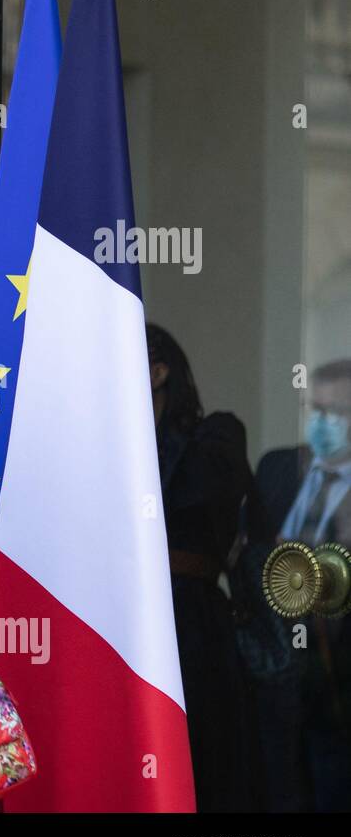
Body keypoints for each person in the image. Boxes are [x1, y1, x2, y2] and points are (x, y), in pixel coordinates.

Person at [146, 324, 258, 811]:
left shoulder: (214, 437)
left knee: (202, 762)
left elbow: (186, 496)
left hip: (191, 622)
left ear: (159, 372)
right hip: (128, 623)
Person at [239, 358, 351, 811]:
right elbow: (245, 551)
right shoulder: (279, 467)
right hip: (270, 670)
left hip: (339, 681)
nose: (322, 424)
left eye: (337, 413)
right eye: (315, 410)